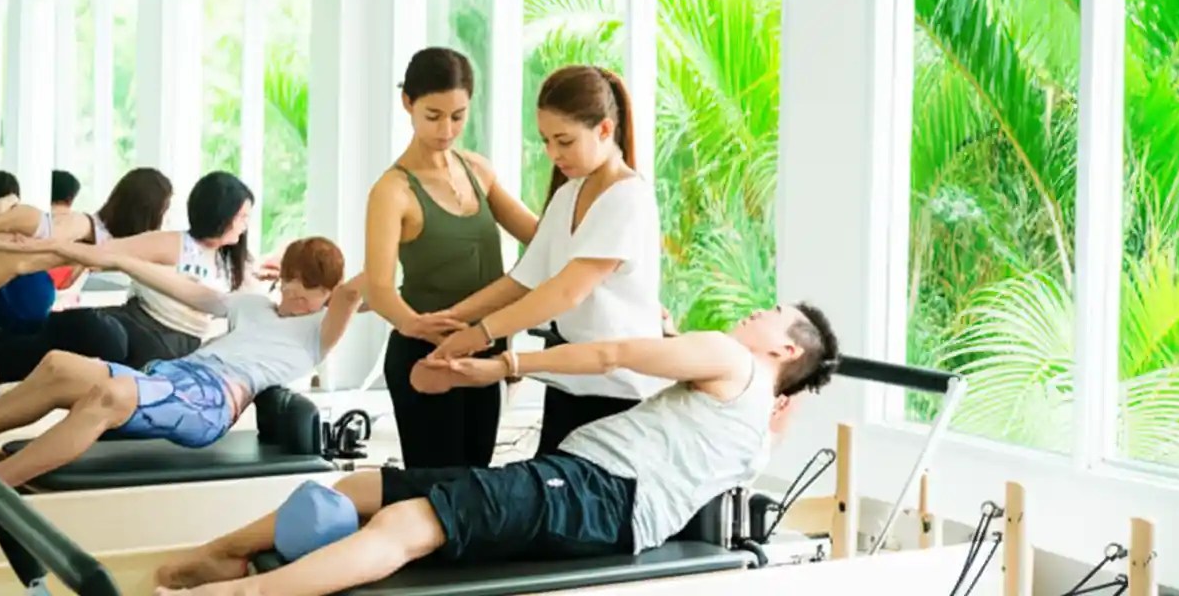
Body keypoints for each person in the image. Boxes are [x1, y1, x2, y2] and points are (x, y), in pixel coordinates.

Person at [150, 302, 840, 596]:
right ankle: (219, 551)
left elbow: (614, 353)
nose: (755, 312)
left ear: (784, 348)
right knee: (365, 488)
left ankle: (250, 591)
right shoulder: (755, 429)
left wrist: (509, 365)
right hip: (587, 493)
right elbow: (747, 409)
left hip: (596, 494)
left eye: (770, 314)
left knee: (404, 523)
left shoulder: (729, 357)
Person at [0, 235, 365, 489]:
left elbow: (353, 295)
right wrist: (120, 261)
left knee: (109, 395)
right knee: (59, 365)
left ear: (327, 293)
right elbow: (187, 288)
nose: (296, 301)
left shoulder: (319, 331)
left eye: (309, 296)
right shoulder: (252, 304)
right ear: (283, 278)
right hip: (176, 374)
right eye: (291, 289)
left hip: (212, 401)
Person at [420, 65, 668, 456]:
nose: (554, 154)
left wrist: (479, 334)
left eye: (564, 141)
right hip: (572, 381)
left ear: (605, 130)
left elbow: (566, 292)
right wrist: (452, 319)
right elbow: (523, 280)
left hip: (619, 394)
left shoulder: (627, 198)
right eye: (546, 141)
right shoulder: (570, 194)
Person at [363, 47, 538, 469]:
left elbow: (540, 237)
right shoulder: (392, 191)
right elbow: (379, 287)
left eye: (457, 116)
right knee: (436, 493)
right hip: (425, 355)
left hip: (483, 350)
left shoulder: (478, 170)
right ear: (408, 103)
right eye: (433, 115)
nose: (446, 129)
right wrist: (411, 323)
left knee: (475, 488)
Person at [0, 171, 254, 404]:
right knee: (17, 347)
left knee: (62, 336)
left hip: (158, 345)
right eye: (242, 216)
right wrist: (23, 246)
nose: (244, 225)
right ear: (219, 215)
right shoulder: (174, 244)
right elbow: (103, 254)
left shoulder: (238, 265)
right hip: (129, 327)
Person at [0, 168, 174, 332]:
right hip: (18, 293)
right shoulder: (82, 225)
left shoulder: (111, 240)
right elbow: (31, 248)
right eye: (163, 210)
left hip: (18, 294)